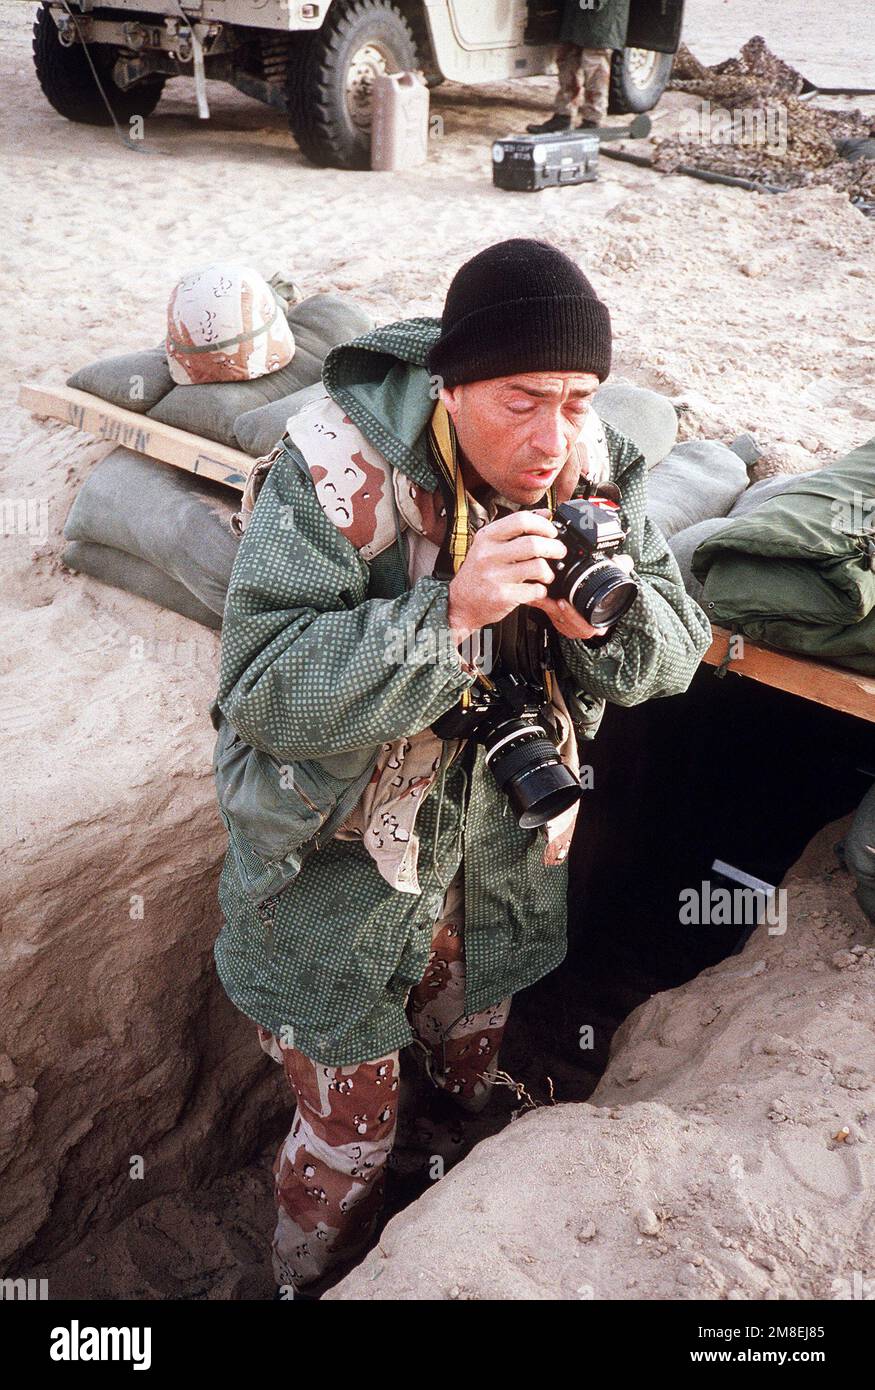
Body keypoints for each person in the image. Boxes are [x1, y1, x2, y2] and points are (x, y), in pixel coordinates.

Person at [211, 237, 711, 1299]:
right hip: (337, 865)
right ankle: (314, 1276)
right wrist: (448, 618)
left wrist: (591, 625)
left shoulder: (594, 462)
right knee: (350, 1132)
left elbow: (670, 653)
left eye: (577, 397)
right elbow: (262, 689)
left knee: (474, 1034)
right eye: (520, 399)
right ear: (450, 383)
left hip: (493, 844)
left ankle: (462, 1148)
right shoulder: (335, 468)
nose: (551, 435)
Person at [527, 0, 631, 134]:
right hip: (576, 15)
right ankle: (563, 117)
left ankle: (592, 122)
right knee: (567, 61)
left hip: (599, 18)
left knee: (595, 68)